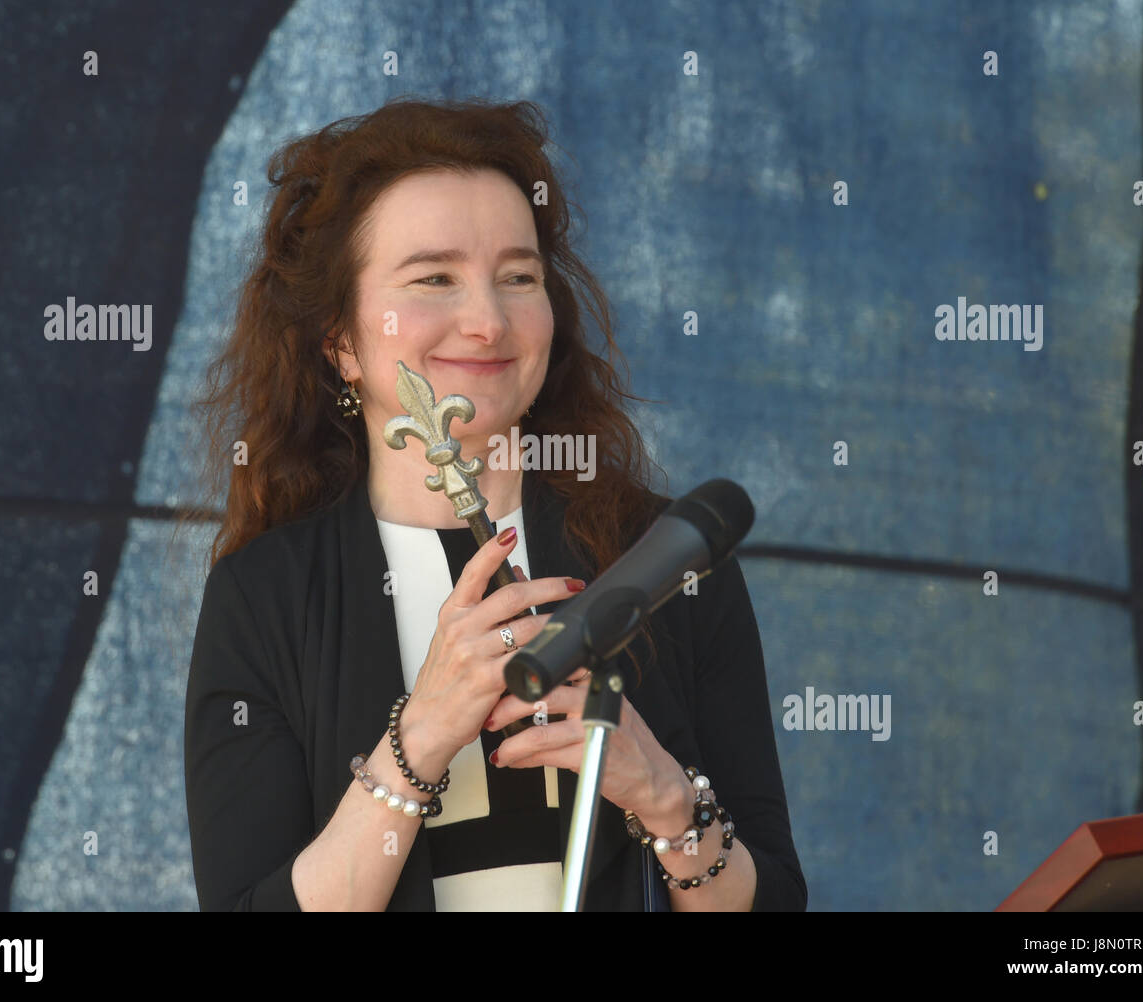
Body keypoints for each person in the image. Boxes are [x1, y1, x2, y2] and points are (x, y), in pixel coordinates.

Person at [183, 97, 805, 912]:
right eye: (434, 278)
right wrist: (420, 740)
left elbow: (773, 904)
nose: (487, 321)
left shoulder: (664, 561)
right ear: (341, 341)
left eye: (518, 277)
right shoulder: (264, 596)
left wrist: (664, 799)